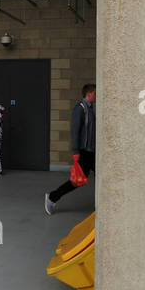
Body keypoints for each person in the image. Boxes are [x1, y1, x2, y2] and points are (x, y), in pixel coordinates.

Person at [50, 83, 97, 214]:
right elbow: (75, 131)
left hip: (91, 151)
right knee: (77, 181)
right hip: (84, 152)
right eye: (95, 93)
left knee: (100, 176)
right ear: (89, 93)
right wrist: (76, 151)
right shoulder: (80, 108)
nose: (96, 96)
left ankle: (102, 204)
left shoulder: (90, 109)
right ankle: (52, 197)